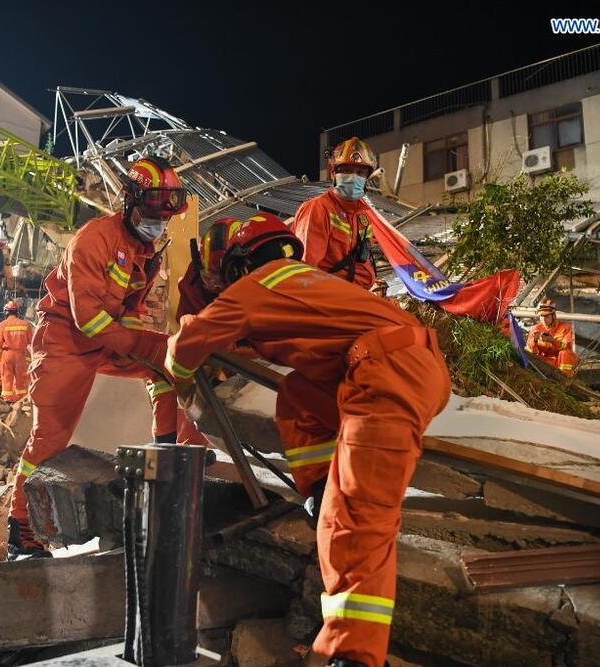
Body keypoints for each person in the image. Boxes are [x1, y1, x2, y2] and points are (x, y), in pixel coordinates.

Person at [163, 215, 449, 667]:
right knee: (298, 394)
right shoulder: (305, 281)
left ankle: (352, 653)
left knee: (354, 516)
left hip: (386, 375)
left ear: (240, 265)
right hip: (402, 363)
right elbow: (279, 341)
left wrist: (175, 376)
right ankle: (318, 486)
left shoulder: (256, 285)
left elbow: (188, 346)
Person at [7, 156, 204, 559]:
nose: (159, 223)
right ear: (130, 202)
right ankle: (21, 529)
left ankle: (171, 463)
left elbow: (129, 312)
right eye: (153, 215)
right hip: (65, 339)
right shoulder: (94, 239)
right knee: (50, 439)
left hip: (108, 337)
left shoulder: (146, 249)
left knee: (172, 361)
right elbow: (88, 319)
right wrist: (136, 345)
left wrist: (150, 347)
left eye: (165, 218)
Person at [292, 137, 380, 288]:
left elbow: (363, 263)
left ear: (367, 178)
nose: (353, 177)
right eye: (347, 170)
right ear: (333, 173)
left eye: (360, 172)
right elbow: (305, 270)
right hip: (324, 294)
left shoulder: (363, 217)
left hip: (351, 293)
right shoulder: (318, 208)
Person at [525, 299, 576, 376]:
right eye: (541, 316)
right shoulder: (535, 329)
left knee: (565, 353)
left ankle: (564, 377)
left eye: (546, 316)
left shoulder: (565, 328)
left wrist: (553, 341)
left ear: (553, 316)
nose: (543, 319)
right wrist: (534, 341)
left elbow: (567, 347)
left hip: (559, 363)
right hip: (543, 363)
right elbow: (530, 353)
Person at [0, 303, 32, 403]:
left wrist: (0, 355)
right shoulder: (25, 324)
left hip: (7, 354)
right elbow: (31, 341)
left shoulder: (2, 325)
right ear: (17, 312)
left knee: (7, 377)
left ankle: (8, 401)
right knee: (21, 378)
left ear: (6, 312)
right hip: (21, 355)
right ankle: (21, 401)